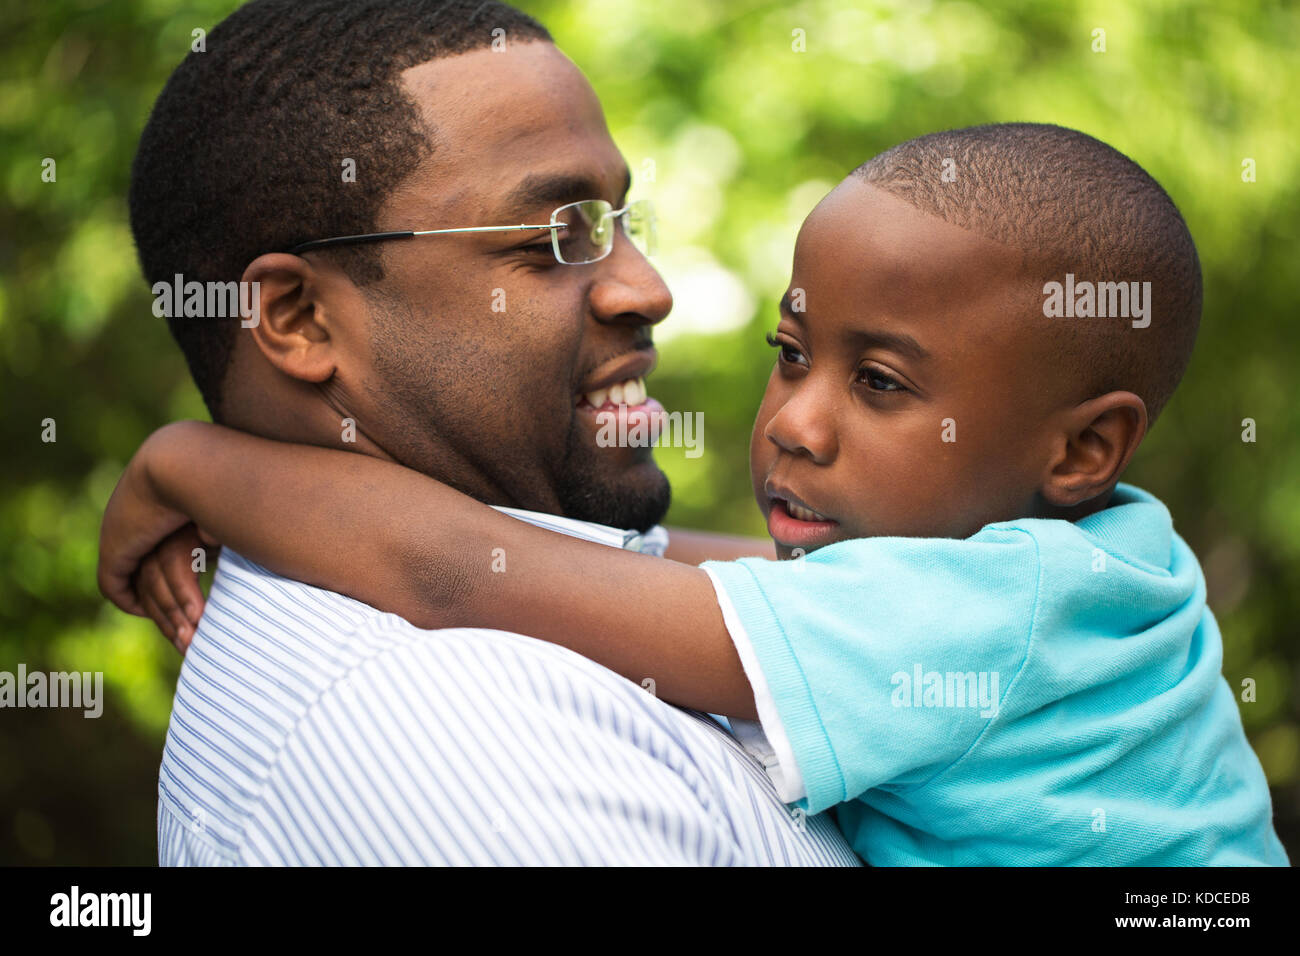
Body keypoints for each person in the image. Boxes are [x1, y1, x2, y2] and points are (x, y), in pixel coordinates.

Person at [104, 124, 1289, 865]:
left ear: (1081, 450)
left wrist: (191, 462)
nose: (792, 421)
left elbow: (457, 572)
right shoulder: (1084, 556)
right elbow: (699, 571)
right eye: (791, 352)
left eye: (877, 383)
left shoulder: (988, 611)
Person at [112, 0, 860, 866]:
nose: (646, 289)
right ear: (300, 318)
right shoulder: (463, 740)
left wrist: (200, 464)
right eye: (553, 237)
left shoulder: (562, 593)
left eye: (620, 223)